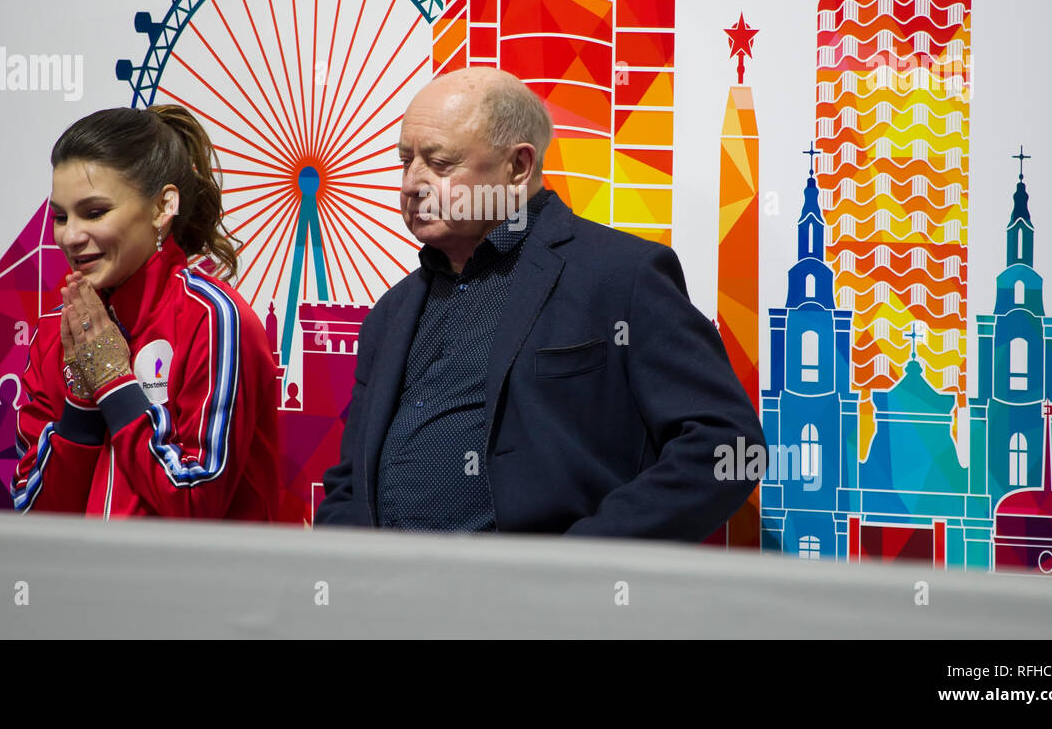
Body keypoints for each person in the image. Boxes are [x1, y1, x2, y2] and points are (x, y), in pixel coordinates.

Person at [315, 67, 765, 540]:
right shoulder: (389, 314)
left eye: (440, 163)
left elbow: (725, 447)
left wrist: (582, 564)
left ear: (518, 167)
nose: (412, 183)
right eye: (406, 161)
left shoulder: (622, 276)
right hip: (389, 600)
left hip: (548, 605)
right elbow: (350, 483)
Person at [11, 104, 280, 520]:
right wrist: (82, 406)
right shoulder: (56, 331)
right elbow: (35, 516)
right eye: (61, 217)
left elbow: (195, 501)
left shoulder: (215, 319)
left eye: (95, 212)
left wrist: (114, 384)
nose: (71, 236)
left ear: (161, 207)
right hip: (81, 586)